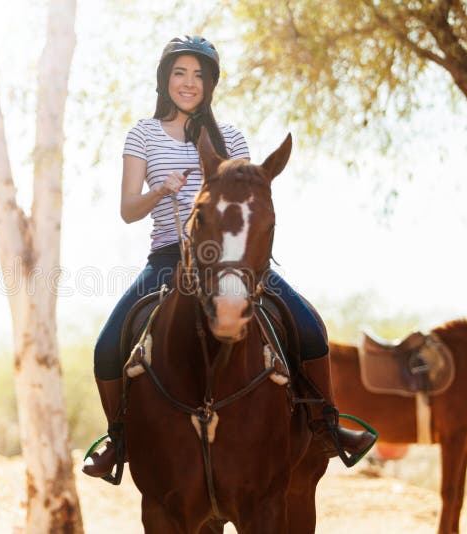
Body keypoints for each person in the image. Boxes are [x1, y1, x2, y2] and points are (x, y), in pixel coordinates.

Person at [82, 35, 375, 478]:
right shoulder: (142, 134)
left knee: (311, 328)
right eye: (180, 72)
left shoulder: (231, 137)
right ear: (165, 80)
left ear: (211, 84)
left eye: (199, 75)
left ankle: (326, 425)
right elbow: (127, 210)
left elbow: (248, 199)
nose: (189, 82)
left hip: (232, 262)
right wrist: (161, 189)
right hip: (168, 259)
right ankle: (119, 439)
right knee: (107, 347)